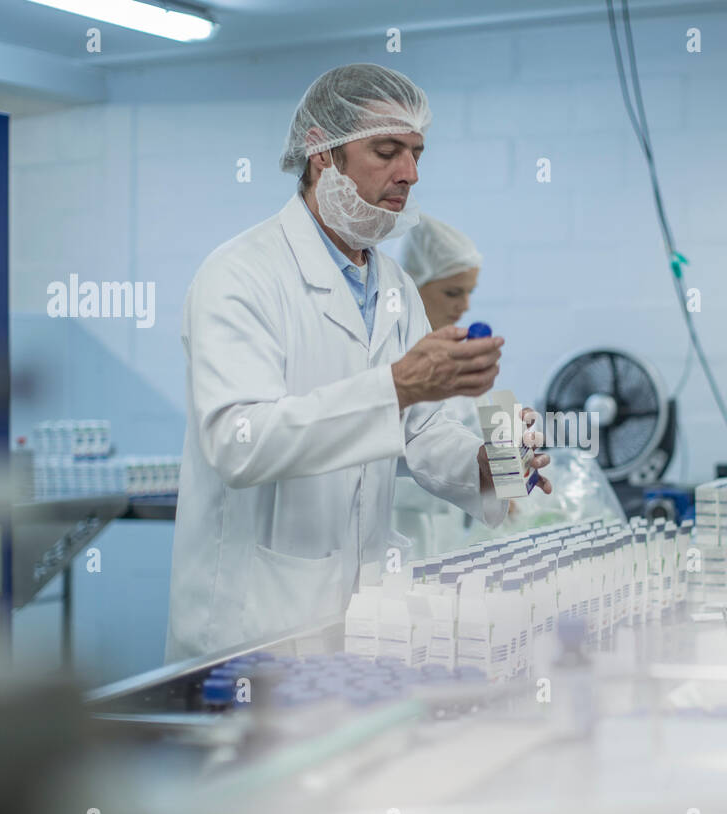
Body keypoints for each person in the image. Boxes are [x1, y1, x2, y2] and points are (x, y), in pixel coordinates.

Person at [166, 63, 551, 661]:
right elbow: (238, 445)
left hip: (366, 621)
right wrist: (395, 388)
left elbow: (420, 433)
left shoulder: (392, 284)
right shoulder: (240, 275)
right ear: (322, 152)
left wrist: (481, 462)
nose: (410, 173)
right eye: (387, 150)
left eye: (417, 152)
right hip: (250, 627)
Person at [399, 214, 484, 434]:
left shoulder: (457, 350)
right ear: (413, 285)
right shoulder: (390, 352)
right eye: (452, 293)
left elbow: (475, 425)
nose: (465, 306)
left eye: (469, 292)